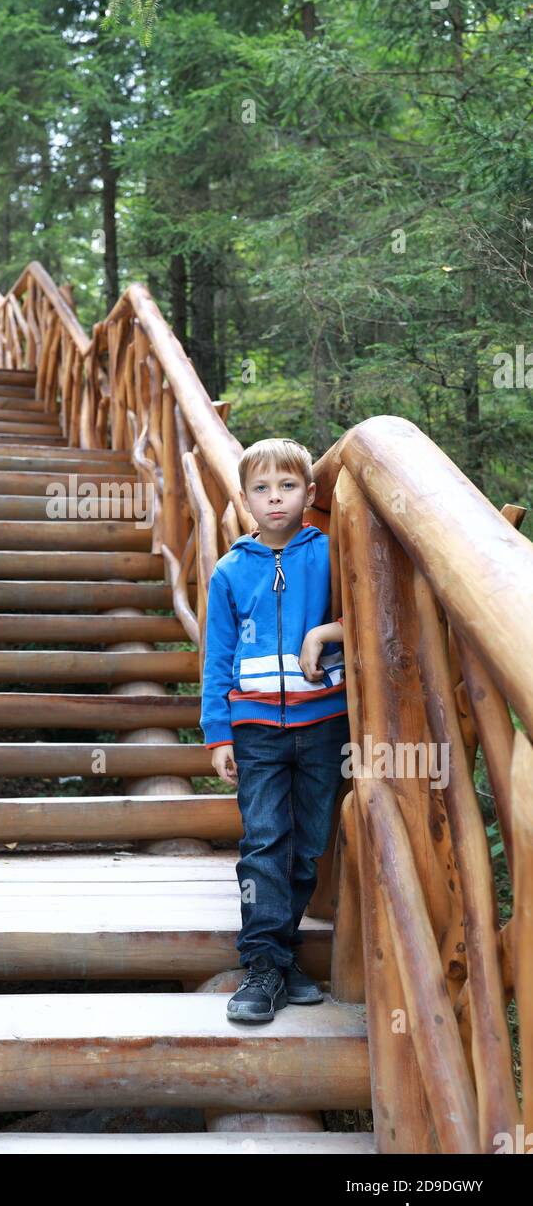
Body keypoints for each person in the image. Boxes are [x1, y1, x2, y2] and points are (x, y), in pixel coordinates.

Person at [200, 437, 349, 1023]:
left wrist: (325, 634)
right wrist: (219, 735)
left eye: (288, 487)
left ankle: (283, 957)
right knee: (264, 843)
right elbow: (217, 659)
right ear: (245, 500)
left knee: (308, 846)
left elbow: (370, 607)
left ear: (310, 494)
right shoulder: (231, 571)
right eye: (262, 489)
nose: (275, 499)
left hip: (323, 725)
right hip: (256, 728)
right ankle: (261, 963)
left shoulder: (330, 554)